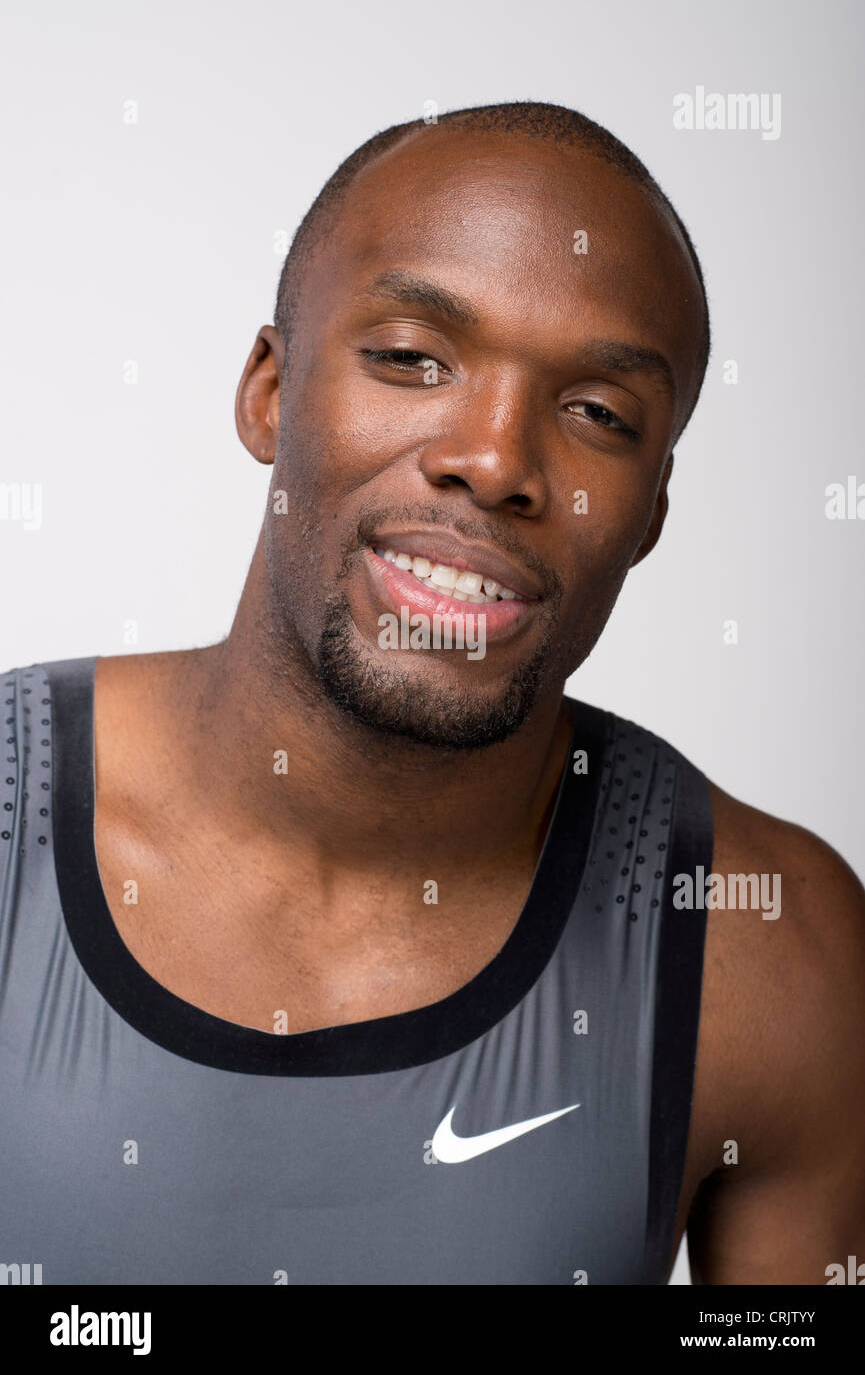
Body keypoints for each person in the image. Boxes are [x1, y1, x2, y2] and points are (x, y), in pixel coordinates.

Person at [1, 101, 863, 1286]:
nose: (496, 458)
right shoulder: (12, 826)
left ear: (652, 511)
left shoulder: (763, 946)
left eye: (597, 414)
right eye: (412, 358)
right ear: (268, 389)